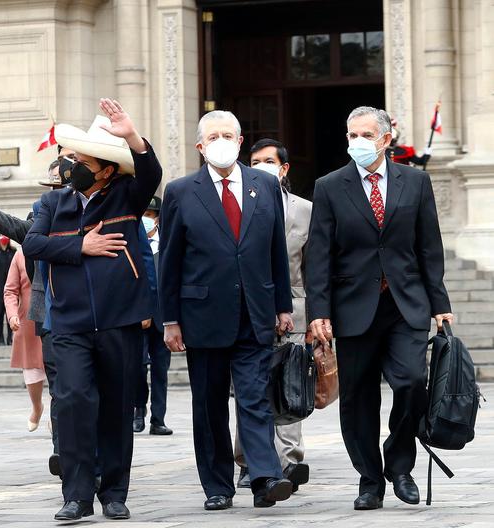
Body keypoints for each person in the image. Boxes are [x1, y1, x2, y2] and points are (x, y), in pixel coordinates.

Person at [306, 106, 453, 510]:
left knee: (411, 382)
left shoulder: (416, 181)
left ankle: (400, 465)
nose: (358, 142)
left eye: (366, 135)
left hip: (405, 303)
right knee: (358, 398)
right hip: (353, 307)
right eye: (352, 135)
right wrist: (319, 311)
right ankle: (370, 480)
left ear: (386, 139)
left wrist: (439, 302)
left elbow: (429, 246)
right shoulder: (329, 186)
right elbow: (318, 255)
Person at [23, 98, 161, 521]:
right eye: (72, 159)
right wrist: (80, 246)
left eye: (81, 161)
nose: (71, 166)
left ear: (106, 170)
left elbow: (152, 173)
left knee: (117, 408)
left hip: (120, 321)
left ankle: (114, 492)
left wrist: (131, 135)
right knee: (73, 404)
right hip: (69, 323)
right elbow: (33, 244)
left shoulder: (126, 196)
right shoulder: (53, 204)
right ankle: (77, 495)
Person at [158, 110, 294, 511]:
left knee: (254, 398)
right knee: (209, 404)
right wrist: (170, 319)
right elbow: (169, 260)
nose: (222, 142)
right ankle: (217, 486)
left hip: (255, 311)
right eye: (213, 136)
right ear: (200, 146)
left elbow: (276, 250)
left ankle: (265, 477)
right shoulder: (181, 192)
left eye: (228, 135)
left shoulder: (264, 185)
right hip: (202, 316)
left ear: (240, 140)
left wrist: (282, 305)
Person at [0, 166, 67, 478]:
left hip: (95, 317)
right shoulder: (42, 219)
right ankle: (62, 451)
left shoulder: (101, 210)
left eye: (61, 185)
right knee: (60, 389)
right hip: (48, 318)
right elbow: (19, 228)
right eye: (53, 186)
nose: (57, 193)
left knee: (82, 390)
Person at [232, 138, 312, 493]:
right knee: (249, 386)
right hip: (249, 308)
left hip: (294, 308)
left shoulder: (305, 210)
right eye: (255, 161)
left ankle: (290, 459)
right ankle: (247, 460)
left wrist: (316, 317)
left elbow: (312, 267)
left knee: (290, 382)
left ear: (284, 168)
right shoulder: (238, 204)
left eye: (268, 161)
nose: (261, 167)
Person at [133, 197, 172, 436]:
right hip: (139, 317)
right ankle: (138, 412)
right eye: (143, 214)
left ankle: (159, 418)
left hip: (164, 318)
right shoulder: (133, 243)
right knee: (138, 367)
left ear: (157, 218)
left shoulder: (167, 243)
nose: (146, 218)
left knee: (161, 371)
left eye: (150, 214)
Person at [4, 246, 45, 432]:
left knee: (63, 373)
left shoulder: (59, 246)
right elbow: (10, 290)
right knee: (32, 373)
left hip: (57, 321)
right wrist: (12, 314)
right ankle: (37, 407)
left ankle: (58, 416)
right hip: (27, 323)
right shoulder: (20, 254)